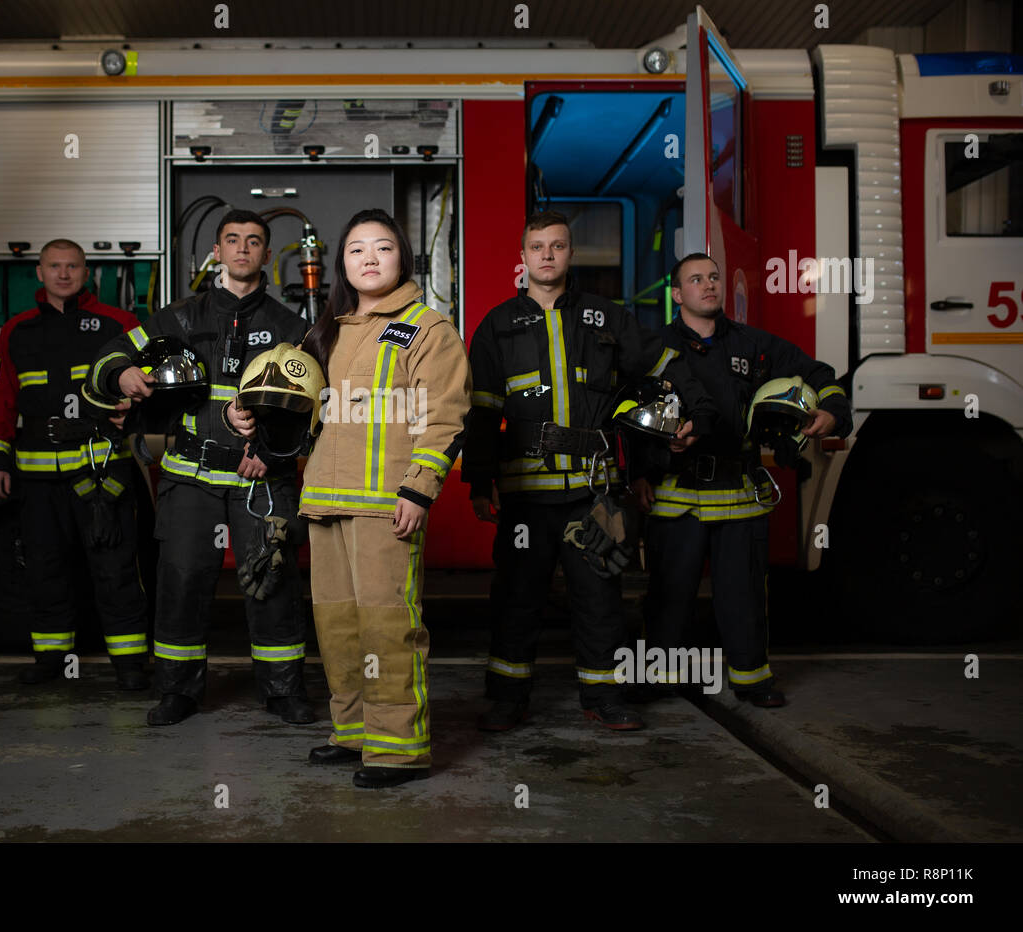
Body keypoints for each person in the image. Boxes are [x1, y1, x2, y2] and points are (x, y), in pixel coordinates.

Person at [233, 208, 470, 789]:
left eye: (383, 248)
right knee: (338, 630)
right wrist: (241, 414)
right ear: (342, 263)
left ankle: (397, 750)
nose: (369, 258)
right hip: (325, 506)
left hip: (386, 508)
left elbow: (445, 417)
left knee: (388, 628)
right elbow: (290, 402)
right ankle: (356, 732)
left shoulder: (427, 329)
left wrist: (419, 489)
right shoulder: (326, 331)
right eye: (357, 248)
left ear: (402, 259)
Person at [462, 211, 716, 732]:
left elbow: (666, 363)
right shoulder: (496, 325)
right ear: (524, 257)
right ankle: (509, 698)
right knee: (516, 598)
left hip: (592, 494)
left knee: (600, 598)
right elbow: (483, 411)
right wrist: (478, 482)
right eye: (538, 246)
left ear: (570, 254)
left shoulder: (607, 318)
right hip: (525, 497)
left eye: (557, 246)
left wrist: (698, 414)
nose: (548, 255)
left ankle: (604, 697)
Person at [89, 209, 313, 727]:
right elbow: (108, 359)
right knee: (181, 581)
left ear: (265, 254)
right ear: (217, 251)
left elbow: (314, 411)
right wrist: (123, 373)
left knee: (274, 583)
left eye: (253, 242)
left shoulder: (291, 328)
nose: (242, 249)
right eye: (232, 240)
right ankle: (177, 691)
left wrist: (274, 451)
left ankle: (283, 690)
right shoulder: (178, 319)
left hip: (261, 478)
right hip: (190, 476)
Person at [633, 253, 852, 706]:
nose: (708, 285)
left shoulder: (755, 345)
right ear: (677, 295)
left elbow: (819, 375)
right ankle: (658, 679)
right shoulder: (653, 347)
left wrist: (832, 411)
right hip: (677, 495)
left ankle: (753, 681)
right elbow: (630, 415)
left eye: (713, 277)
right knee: (668, 597)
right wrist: (638, 473)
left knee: (744, 596)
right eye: (695, 279)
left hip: (740, 496)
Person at [0, 238, 149, 690]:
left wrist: (131, 410)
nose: (63, 274)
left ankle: (130, 665)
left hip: (100, 471)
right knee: (44, 567)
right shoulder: (16, 331)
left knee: (114, 567)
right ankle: (50, 658)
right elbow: (1, 401)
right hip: (37, 477)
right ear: (39, 272)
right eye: (54, 266)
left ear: (86, 271)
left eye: (72, 266)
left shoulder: (120, 324)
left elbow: (150, 384)